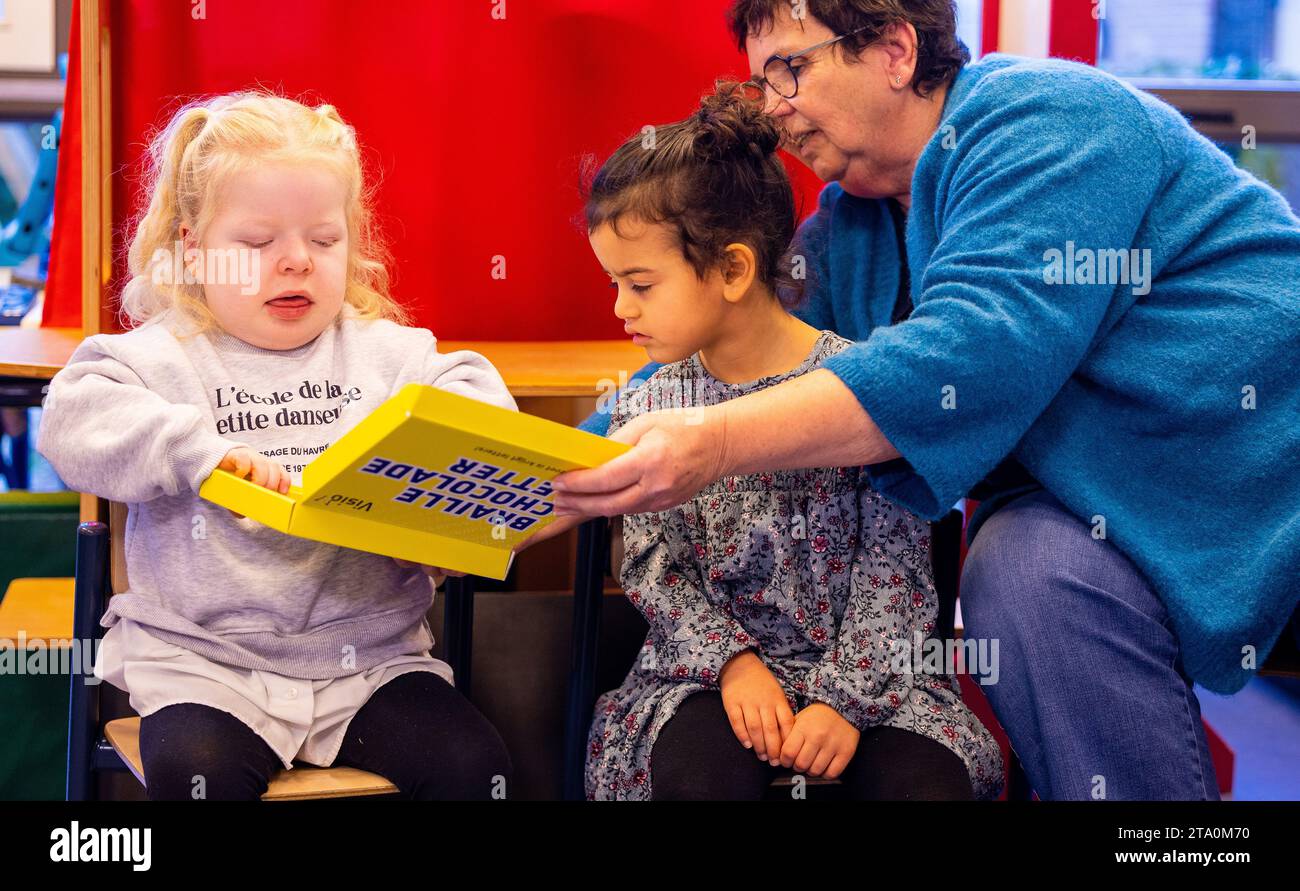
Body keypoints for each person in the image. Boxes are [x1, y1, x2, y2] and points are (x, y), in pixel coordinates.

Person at [552, 0, 1300, 800]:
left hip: (1256, 470)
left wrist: (714, 443)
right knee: (1024, 567)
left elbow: (975, 354)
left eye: (791, 69)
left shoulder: (1051, 118)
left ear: (896, 50)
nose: (773, 107)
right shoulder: (854, 230)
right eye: (762, 79)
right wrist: (554, 476)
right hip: (1106, 511)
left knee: (1027, 566)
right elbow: (724, 361)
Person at [38, 92, 512, 800]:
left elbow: (480, 403)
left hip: (369, 664)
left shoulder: (388, 355)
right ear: (193, 248)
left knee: (478, 766)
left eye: (324, 240)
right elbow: (69, 420)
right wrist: (196, 452)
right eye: (257, 244)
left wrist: (433, 469)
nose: (295, 262)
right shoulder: (156, 357)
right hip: (205, 665)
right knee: (200, 774)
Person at [577, 85, 1001, 800]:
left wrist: (843, 699)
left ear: (735, 269)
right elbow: (657, 567)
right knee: (700, 778)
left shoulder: (857, 392)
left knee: (926, 786)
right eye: (615, 282)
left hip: (874, 677)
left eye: (640, 284)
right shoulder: (647, 406)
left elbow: (896, 570)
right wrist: (734, 664)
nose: (620, 307)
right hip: (703, 675)